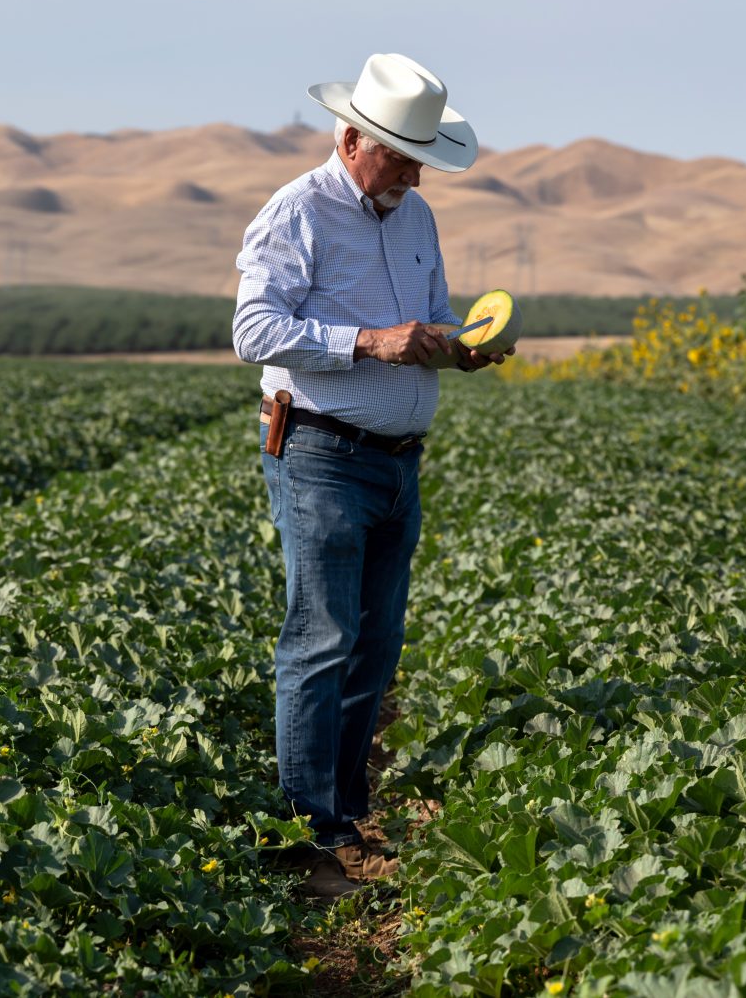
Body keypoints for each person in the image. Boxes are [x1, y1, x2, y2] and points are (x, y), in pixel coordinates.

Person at [231, 52, 511, 898]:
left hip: (396, 462)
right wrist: (367, 341)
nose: (414, 173)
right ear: (351, 139)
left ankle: (344, 818)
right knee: (320, 640)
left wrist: (462, 346)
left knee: (376, 642)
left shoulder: (417, 216)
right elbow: (253, 330)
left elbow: (430, 318)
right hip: (320, 452)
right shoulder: (298, 210)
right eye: (400, 155)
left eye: (421, 158)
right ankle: (306, 841)